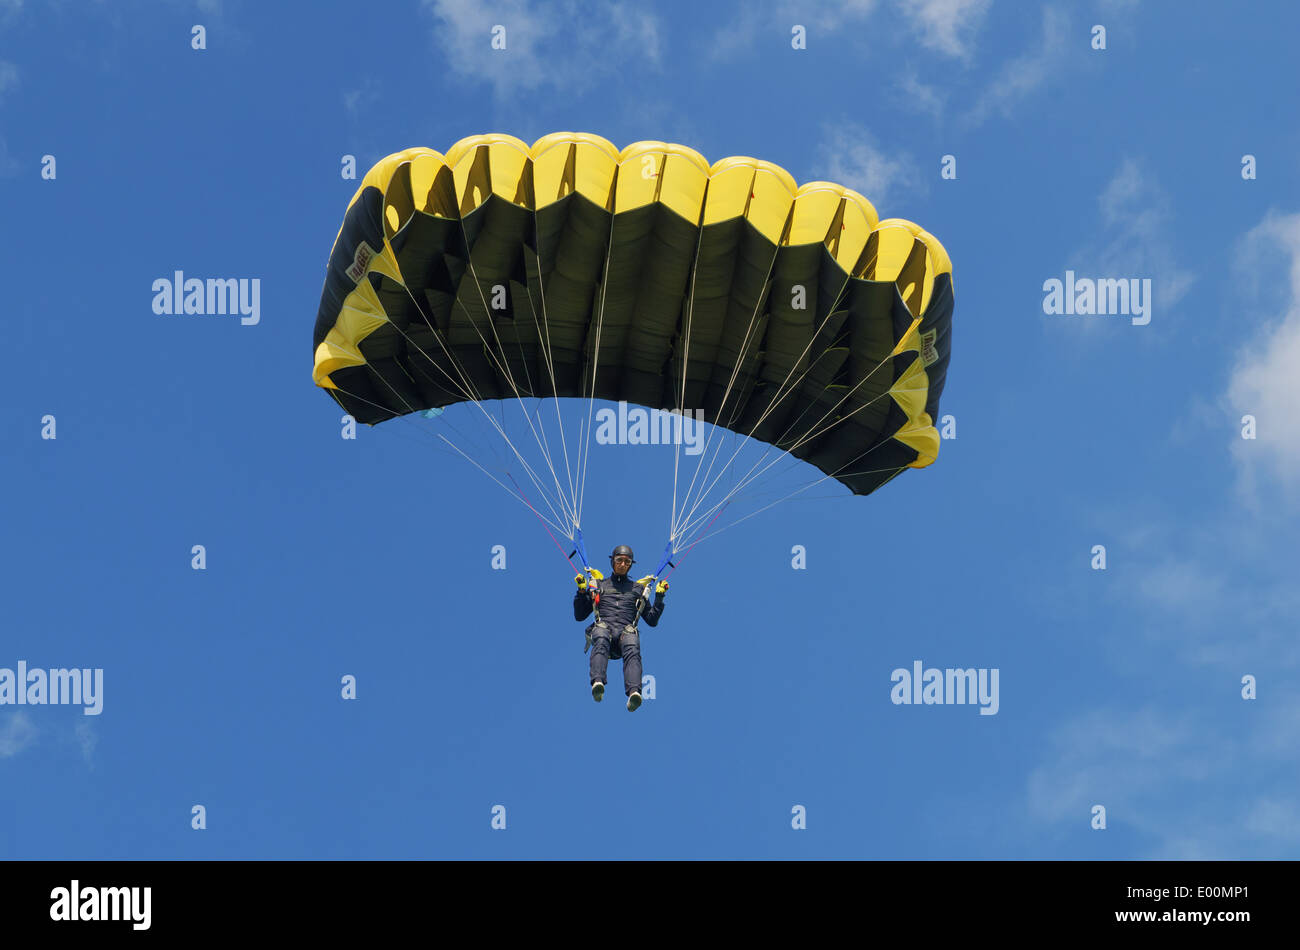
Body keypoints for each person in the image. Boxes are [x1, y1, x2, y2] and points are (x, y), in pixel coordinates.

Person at [574, 545, 668, 711]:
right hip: (605, 632)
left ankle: (634, 693)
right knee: (601, 634)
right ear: (613, 561)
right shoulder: (599, 585)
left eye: (627, 561)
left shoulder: (638, 590)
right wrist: (582, 592)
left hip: (625, 634)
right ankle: (598, 683)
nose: (623, 564)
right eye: (619, 560)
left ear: (631, 564)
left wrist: (659, 598)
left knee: (632, 642)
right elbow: (580, 615)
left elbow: (652, 620)